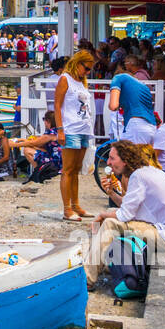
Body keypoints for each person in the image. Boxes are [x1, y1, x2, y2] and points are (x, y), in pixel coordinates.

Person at [87, 140, 165, 290]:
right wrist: (111, 193)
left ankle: (87, 279)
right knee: (110, 218)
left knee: (109, 223)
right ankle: (101, 264)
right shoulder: (148, 172)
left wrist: (102, 215)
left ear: (125, 160)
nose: (108, 162)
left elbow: (124, 215)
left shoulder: (138, 176)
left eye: (112, 158)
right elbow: (129, 208)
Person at [54, 50, 96, 221]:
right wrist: (60, 129)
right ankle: (67, 208)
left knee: (76, 169)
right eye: (86, 68)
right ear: (78, 64)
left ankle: (76, 205)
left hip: (84, 128)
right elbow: (57, 105)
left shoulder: (81, 81)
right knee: (68, 169)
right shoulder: (65, 79)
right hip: (70, 128)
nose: (87, 72)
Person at [109, 59, 157, 145]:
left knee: (124, 152)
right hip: (151, 127)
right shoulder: (143, 86)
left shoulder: (118, 78)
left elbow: (113, 106)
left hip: (136, 126)